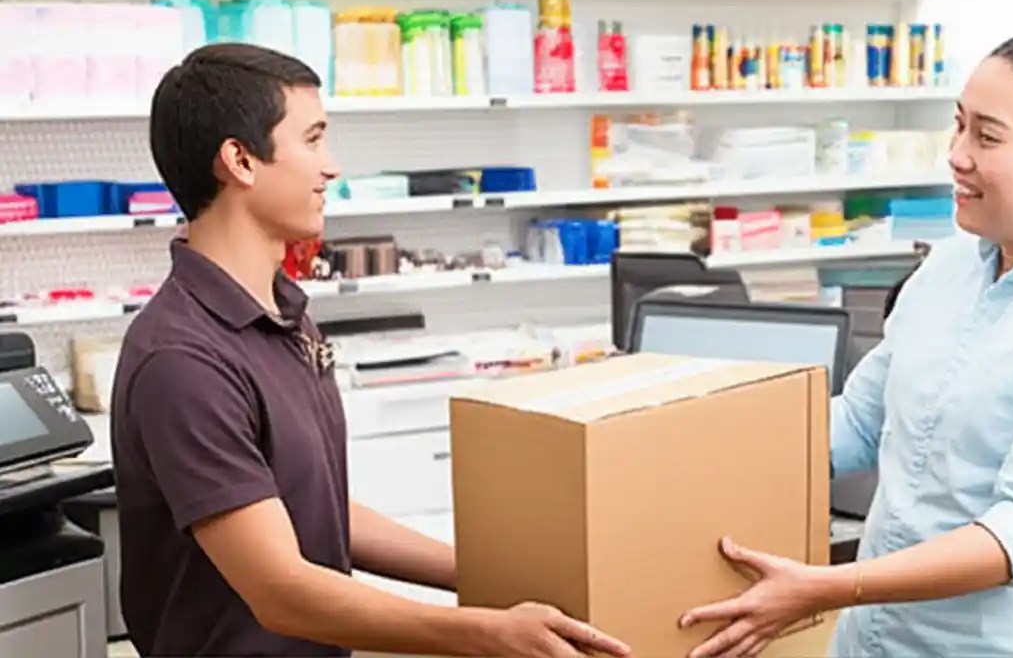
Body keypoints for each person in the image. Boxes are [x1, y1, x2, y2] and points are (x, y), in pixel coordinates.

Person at [110, 43, 631, 658]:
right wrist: (487, 634)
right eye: (312, 140)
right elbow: (282, 592)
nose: (330, 168)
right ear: (240, 160)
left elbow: (320, 512)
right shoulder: (183, 360)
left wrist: (492, 581)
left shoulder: (286, 315)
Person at [677, 27, 1013, 657]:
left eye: (987, 136)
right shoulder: (948, 268)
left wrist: (829, 587)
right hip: (872, 644)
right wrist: (690, 452)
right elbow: (856, 424)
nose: (957, 154)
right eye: (958, 126)